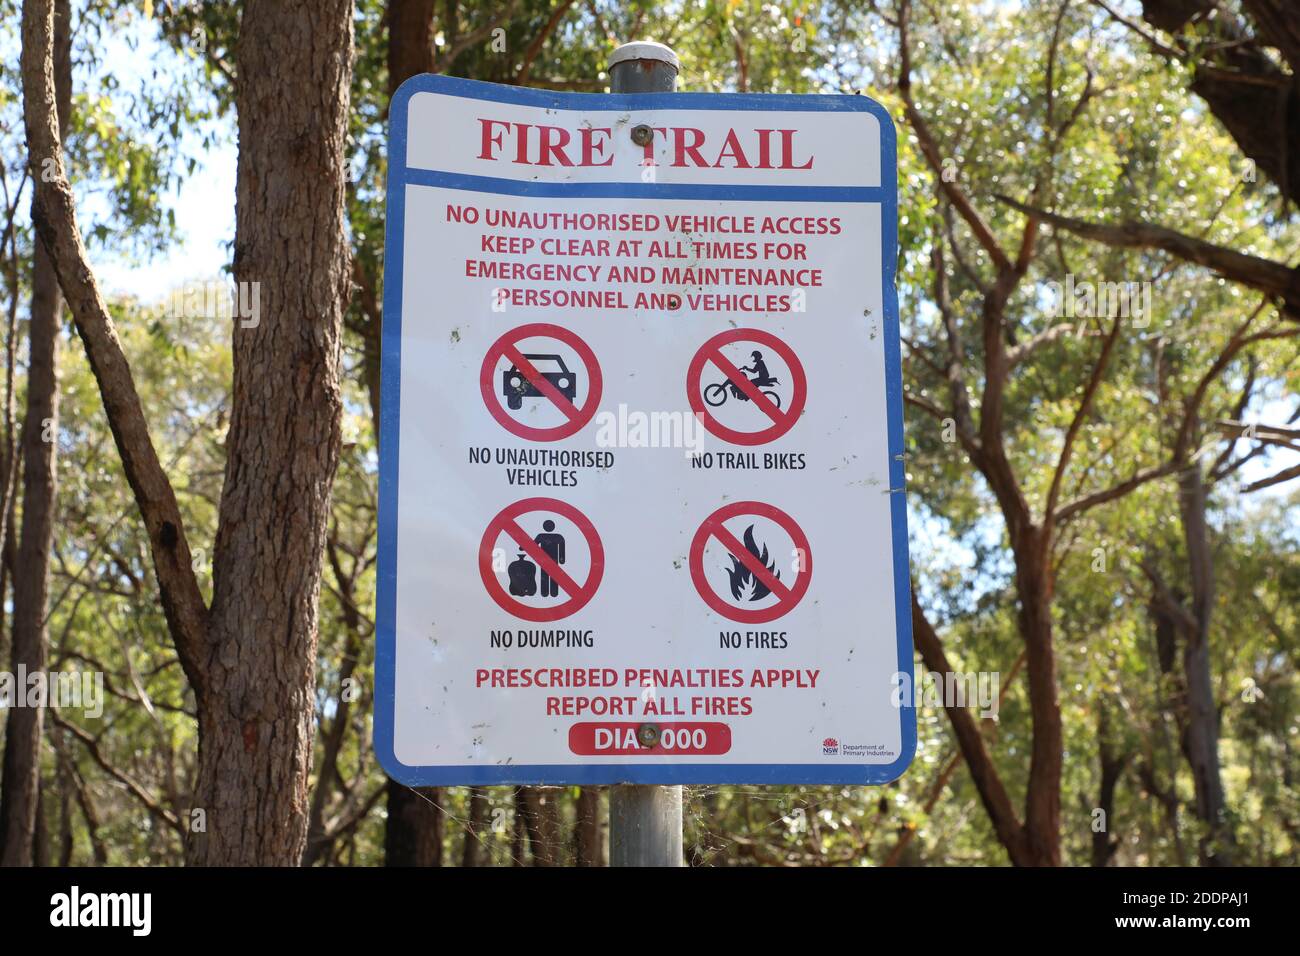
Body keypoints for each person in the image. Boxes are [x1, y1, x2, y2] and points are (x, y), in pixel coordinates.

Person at [533, 519, 566, 598]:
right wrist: (562, 559)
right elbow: (533, 545)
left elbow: (532, 545)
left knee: (547, 577)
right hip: (549, 560)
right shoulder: (557, 536)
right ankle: (548, 592)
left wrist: (562, 559)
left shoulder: (542, 536)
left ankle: (548, 592)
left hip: (547, 561)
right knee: (548, 577)